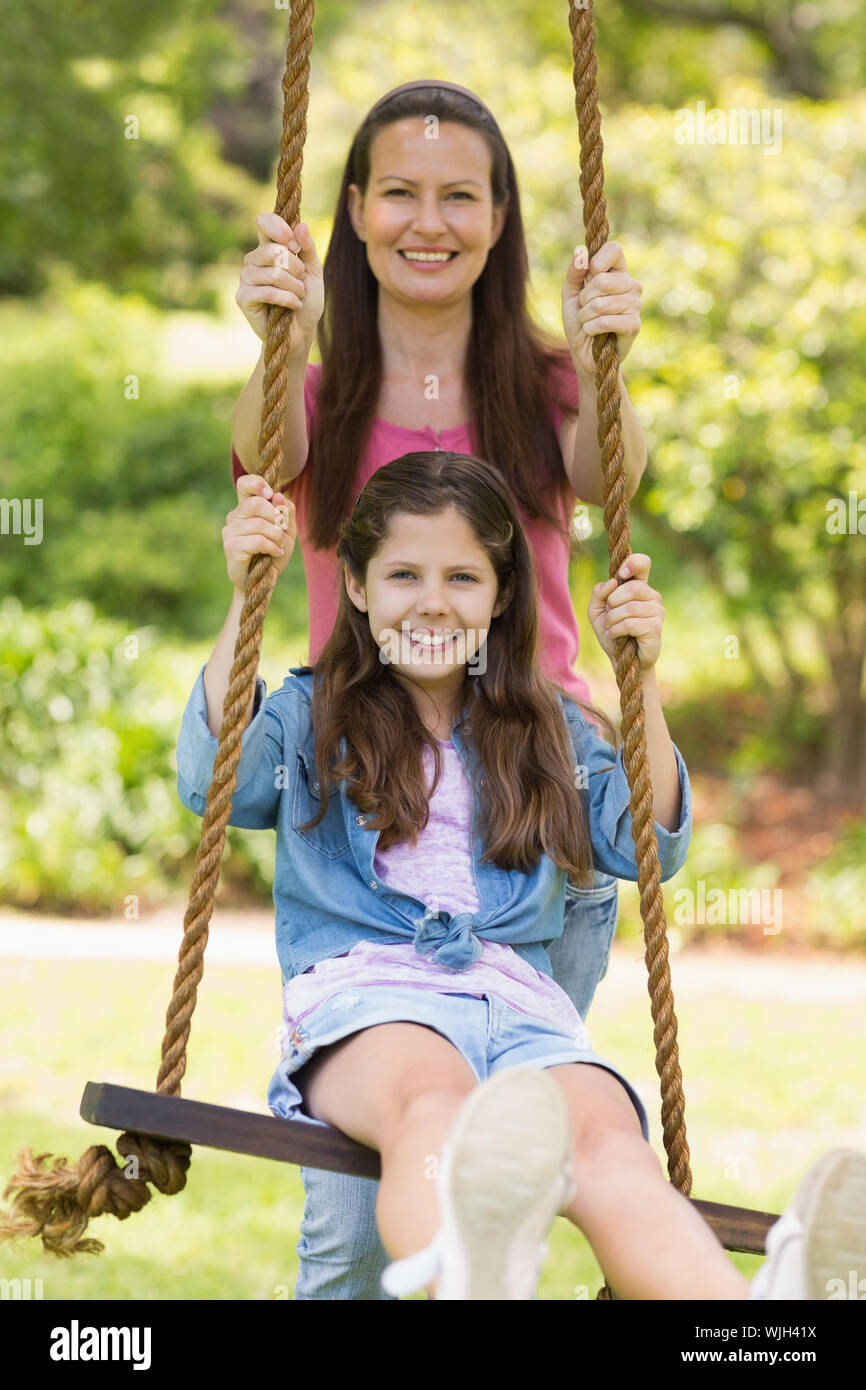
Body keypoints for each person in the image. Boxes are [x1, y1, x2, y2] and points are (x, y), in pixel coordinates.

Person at [177, 451, 866, 1300]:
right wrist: (247, 597)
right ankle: (473, 1274)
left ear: (503, 593)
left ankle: (754, 1320)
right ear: (355, 586)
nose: (433, 600)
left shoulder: (551, 731)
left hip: (523, 1013)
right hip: (373, 1001)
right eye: (404, 574)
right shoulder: (311, 716)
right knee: (434, 1105)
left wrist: (639, 675)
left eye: (463, 575)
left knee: (610, 1145)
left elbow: (647, 840)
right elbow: (218, 780)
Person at [228, 77, 647, 1298]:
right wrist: (279, 329)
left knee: (529, 1147)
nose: (428, 219)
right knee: (370, 1205)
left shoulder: (546, 378)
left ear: (500, 214)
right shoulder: (319, 387)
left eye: (459, 193)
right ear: (351, 213)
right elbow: (263, 463)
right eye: (398, 192)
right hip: (368, 795)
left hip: (532, 795)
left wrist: (616, 347)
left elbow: (618, 474)